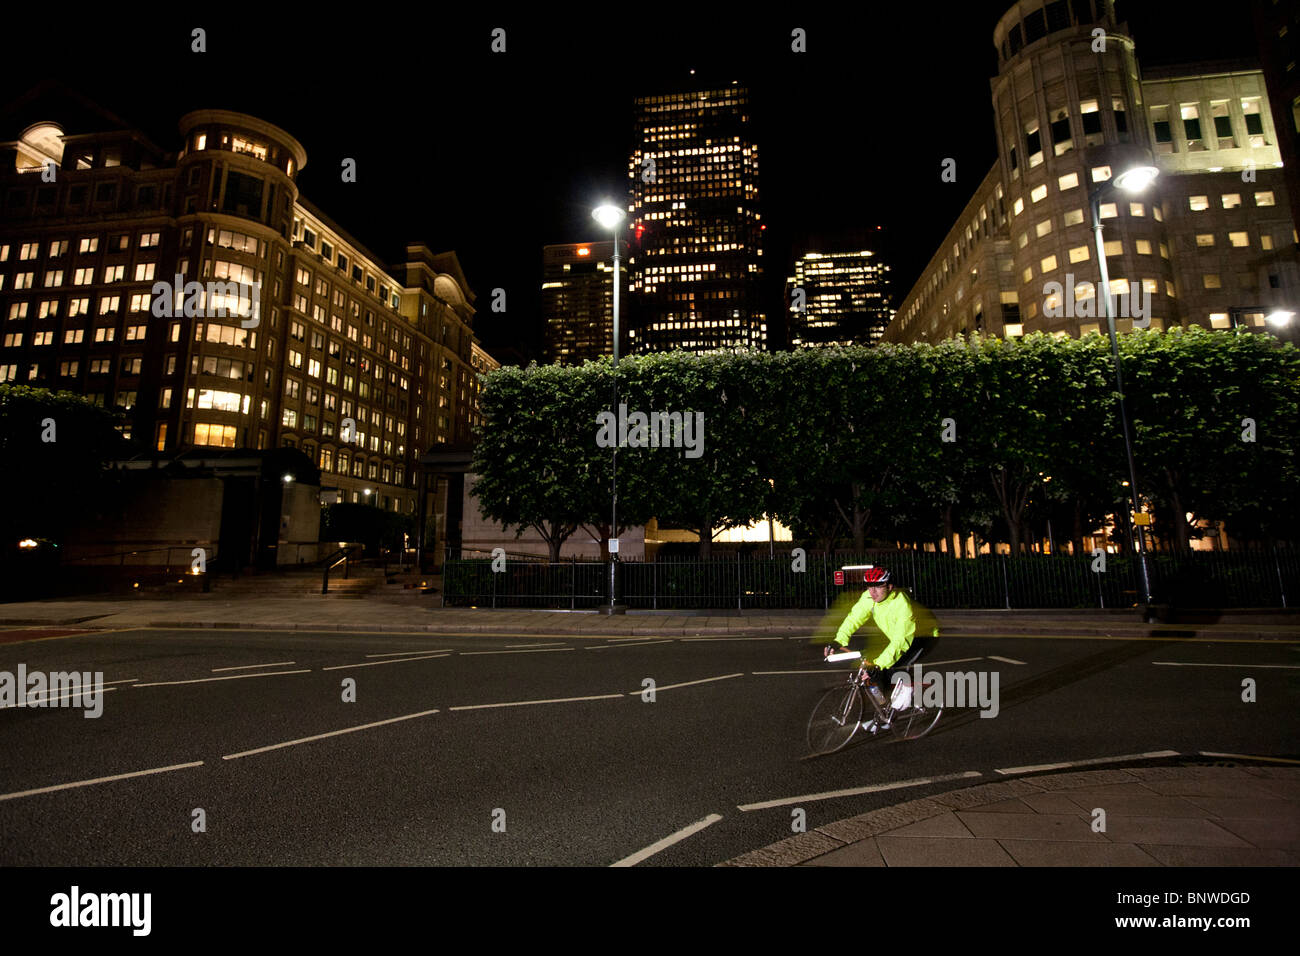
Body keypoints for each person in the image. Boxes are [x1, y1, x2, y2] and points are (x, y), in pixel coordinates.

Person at [823, 566, 939, 732]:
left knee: (892, 667)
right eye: (869, 586)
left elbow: (901, 641)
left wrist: (878, 664)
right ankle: (885, 712)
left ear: (889, 586)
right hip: (898, 637)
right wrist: (838, 640)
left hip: (921, 636)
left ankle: (906, 689)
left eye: (878, 586)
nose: (873, 592)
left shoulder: (902, 604)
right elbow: (853, 619)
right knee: (874, 674)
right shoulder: (868, 598)